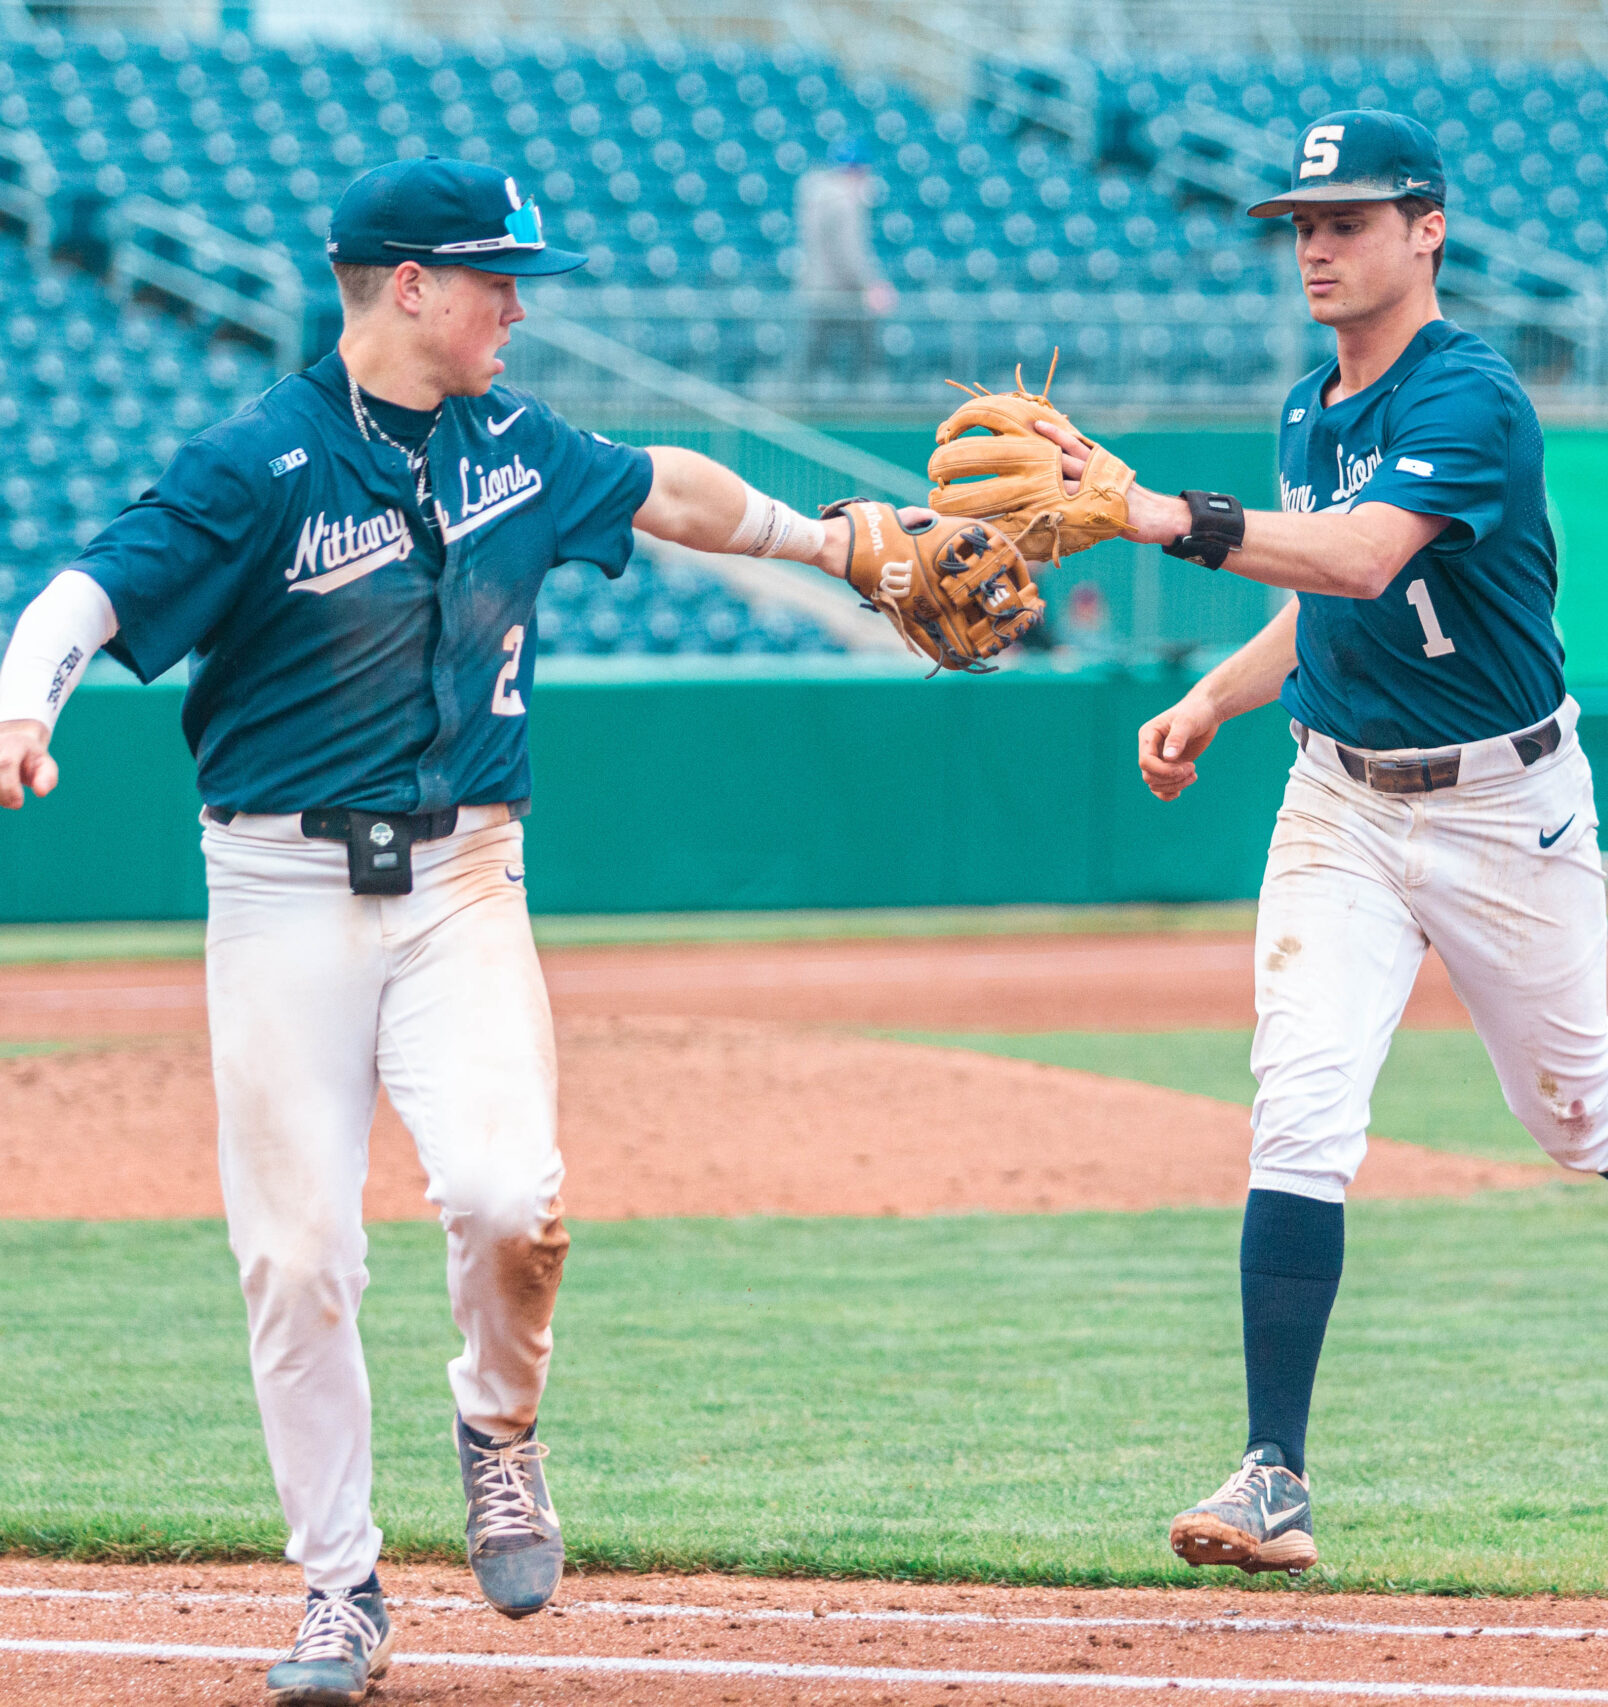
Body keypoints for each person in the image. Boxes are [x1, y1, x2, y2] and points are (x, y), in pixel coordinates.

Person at [0, 156, 932, 1705]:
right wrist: (25, 696)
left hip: (464, 885)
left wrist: (836, 541)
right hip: (284, 894)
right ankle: (339, 1588)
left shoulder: (518, 440)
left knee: (509, 1197)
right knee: (296, 1259)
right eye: (494, 275)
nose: (519, 300)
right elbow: (90, 588)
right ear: (407, 285)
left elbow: (667, 486)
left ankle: (497, 1428)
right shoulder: (261, 463)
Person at [1043, 111, 1608, 1575]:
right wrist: (1214, 696)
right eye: (1302, 222)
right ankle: (1272, 1473)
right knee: (1300, 1105)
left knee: (1572, 1113)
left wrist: (1156, 514)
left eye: (1349, 219)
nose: (1315, 243)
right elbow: (1331, 599)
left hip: (1508, 807)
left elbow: (1368, 552)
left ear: (1428, 230)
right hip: (1341, 801)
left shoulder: (1473, 394)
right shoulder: (1310, 410)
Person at [794, 134, 899, 384]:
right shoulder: (843, 200)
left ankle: (805, 399)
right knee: (862, 354)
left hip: (815, 289)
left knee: (815, 354)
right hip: (842, 293)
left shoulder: (816, 195)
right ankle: (861, 403)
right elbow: (850, 252)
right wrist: (871, 284)